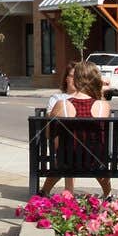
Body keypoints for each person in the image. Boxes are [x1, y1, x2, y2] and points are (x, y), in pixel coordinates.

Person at [46, 60, 112, 199]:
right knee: (95, 151)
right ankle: (108, 194)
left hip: (68, 160)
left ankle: (44, 192)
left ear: (75, 79)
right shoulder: (103, 106)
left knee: (64, 152)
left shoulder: (61, 104)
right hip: (95, 160)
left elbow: (49, 134)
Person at [37, 65, 78, 197]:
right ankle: (67, 192)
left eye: (79, 76)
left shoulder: (86, 98)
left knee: (66, 157)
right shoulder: (57, 98)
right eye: (73, 76)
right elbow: (52, 121)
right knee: (67, 149)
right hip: (61, 141)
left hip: (77, 144)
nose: (76, 79)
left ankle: (46, 191)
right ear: (66, 79)